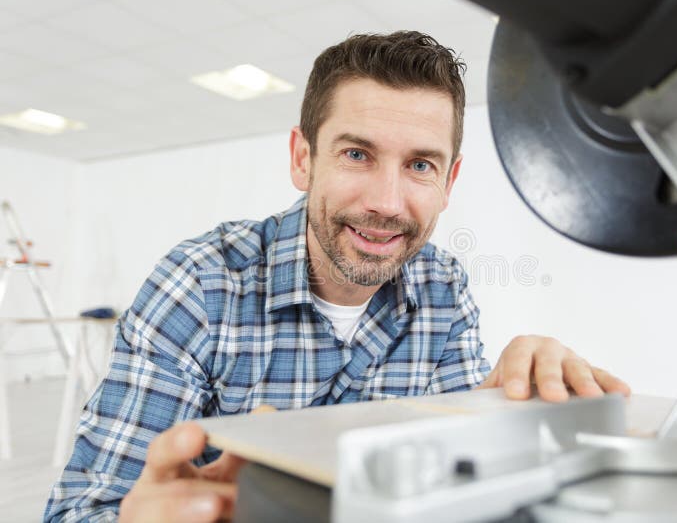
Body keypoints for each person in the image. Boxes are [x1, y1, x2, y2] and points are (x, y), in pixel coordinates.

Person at [44, 31, 629, 522]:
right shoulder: (199, 286)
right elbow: (76, 510)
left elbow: (450, 481)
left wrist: (501, 408)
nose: (387, 202)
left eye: (420, 165)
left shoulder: (444, 288)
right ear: (304, 159)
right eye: (357, 154)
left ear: (449, 184)